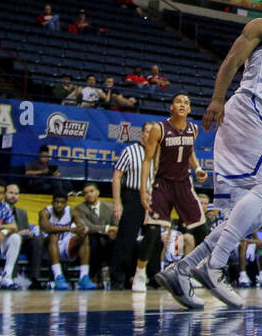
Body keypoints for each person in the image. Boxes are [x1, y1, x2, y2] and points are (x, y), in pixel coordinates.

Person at [158, 0, 262, 310]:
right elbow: (232, 59)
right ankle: (214, 267)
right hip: (247, 107)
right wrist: (216, 98)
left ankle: (183, 268)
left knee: (252, 217)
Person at [133, 94, 210, 293]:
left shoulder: (193, 129)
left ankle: (200, 271)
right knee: (151, 231)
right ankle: (140, 274)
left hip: (184, 184)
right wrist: (144, 190)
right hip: (162, 184)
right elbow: (147, 160)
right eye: (179, 102)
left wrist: (198, 168)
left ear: (190, 109)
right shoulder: (159, 129)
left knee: (202, 230)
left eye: (186, 102)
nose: (183, 104)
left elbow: (190, 152)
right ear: (171, 107)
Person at [109, 123, 150, 289]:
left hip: (151, 199)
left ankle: (148, 276)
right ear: (141, 134)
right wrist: (117, 202)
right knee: (126, 239)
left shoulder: (158, 153)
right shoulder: (130, 151)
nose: (150, 135)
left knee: (151, 240)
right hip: (132, 196)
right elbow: (117, 177)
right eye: (148, 131)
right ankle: (118, 278)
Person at [40, 191, 98, 290]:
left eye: (62, 202)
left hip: (66, 246)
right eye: (56, 202)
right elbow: (47, 228)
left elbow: (80, 226)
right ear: (52, 202)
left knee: (84, 237)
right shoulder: (45, 212)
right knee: (53, 236)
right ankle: (58, 276)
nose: (58, 205)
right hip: (48, 247)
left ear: (66, 203)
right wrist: (69, 229)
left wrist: (81, 229)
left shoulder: (72, 212)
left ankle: (84, 277)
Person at [73, 182, 117, 285]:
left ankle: (120, 277)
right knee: (93, 241)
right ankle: (93, 275)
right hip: (91, 238)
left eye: (92, 191)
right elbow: (87, 227)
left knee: (120, 242)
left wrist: (113, 231)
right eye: (86, 193)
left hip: (109, 238)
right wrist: (107, 229)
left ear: (98, 192)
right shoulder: (79, 209)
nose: (89, 194)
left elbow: (116, 225)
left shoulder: (110, 207)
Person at [5, 183, 46, 288]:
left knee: (37, 239)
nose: (13, 196)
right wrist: (17, 234)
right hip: (6, 242)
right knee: (15, 239)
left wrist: (29, 233)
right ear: (4, 194)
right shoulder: (0, 210)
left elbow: (26, 229)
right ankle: (10, 278)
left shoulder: (22, 212)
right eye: (11, 193)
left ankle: (35, 278)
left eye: (16, 194)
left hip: (22, 242)